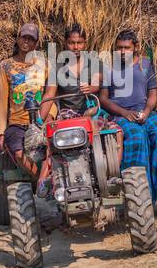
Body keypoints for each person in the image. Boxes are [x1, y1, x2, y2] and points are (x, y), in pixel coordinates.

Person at [99, 29, 157, 209]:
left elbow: (152, 95)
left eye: (126, 48)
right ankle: (140, 194)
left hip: (144, 113)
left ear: (136, 48)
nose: (122, 52)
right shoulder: (109, 67)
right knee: (137, 137)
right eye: (119, 48)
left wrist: (147, 111)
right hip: (120, 115)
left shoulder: (146, 65)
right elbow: (103, 99)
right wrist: (124, 113)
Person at [44, 23, 122, 167]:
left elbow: (97, 82)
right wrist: (39, 121)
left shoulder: (94, 63)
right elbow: (49, 94)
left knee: (116, 131)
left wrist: (91, 88)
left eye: (79, 43)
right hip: (68, 115)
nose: (76, 47)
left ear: (85, 43)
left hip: (91, 113)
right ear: (65, 43)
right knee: (53, 142)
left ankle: (112, 170)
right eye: (72, 43)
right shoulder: (58, 67)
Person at [0, 23, 49, 179]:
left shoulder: (44, 64)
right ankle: (42, 181)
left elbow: (51, 93)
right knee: (19, 153)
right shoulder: (6, 66)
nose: (26, 41)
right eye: (23, 37)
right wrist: (1, 132)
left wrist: (47, 117)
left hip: (41, 121)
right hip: (17, 122)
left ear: (36, 42)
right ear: (18, 39)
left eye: (31, 39)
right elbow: (2, 101)